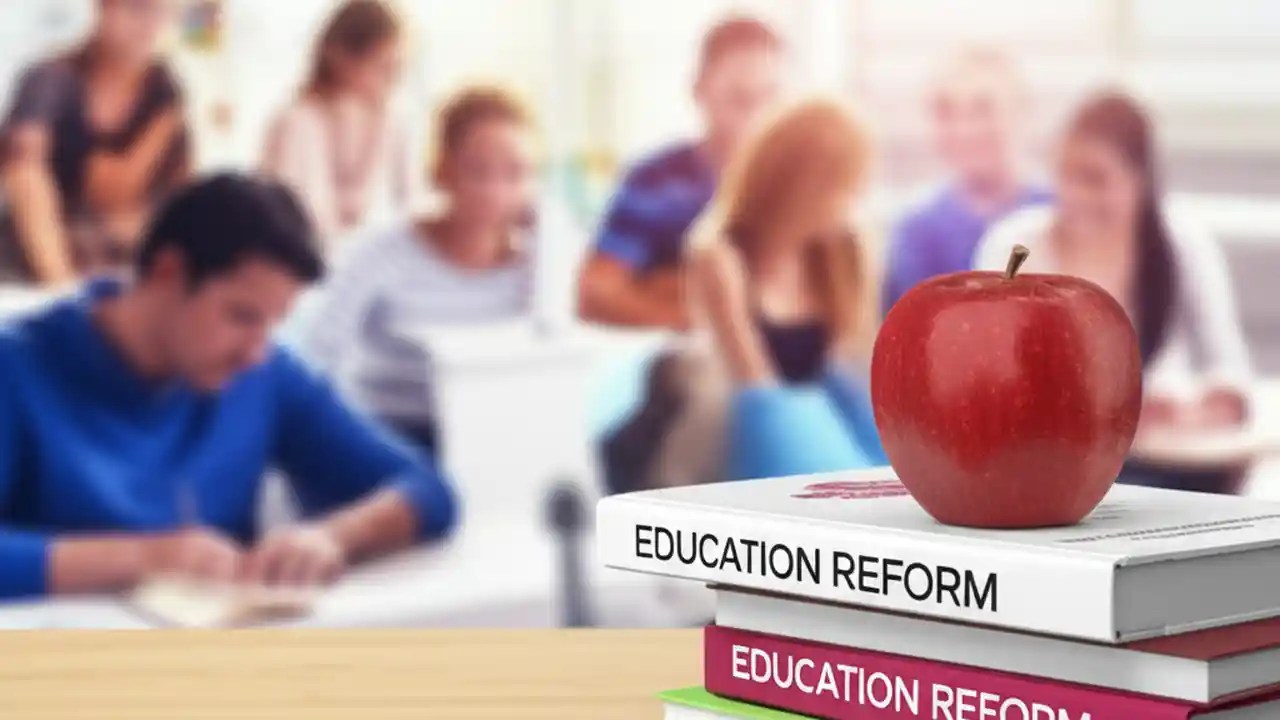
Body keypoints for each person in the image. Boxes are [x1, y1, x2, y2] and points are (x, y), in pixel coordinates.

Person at [0, 174, 456, 600]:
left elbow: (429, 490)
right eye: (241, 316)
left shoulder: (265, 374)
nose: (255, 352)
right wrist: (142, 558)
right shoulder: (18, 366)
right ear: (167, 272)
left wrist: (329, 537)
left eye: (273, 324)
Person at [975, 92, 1251, 494]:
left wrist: (1202, 408)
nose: (1077, 196)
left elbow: (1228, 367)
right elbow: (989, 374)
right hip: (1050, 460)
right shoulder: (1014, 244)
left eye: (1097, 179)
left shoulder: (1182, 245)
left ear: (1140, 181)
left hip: (1165, 464)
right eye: (1067, 175)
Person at [612, 99, 886, 491]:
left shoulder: (843, 252)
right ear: (805, 187)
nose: (854, 206)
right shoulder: (719, 254)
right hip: (739, 430)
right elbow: (754, 384)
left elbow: (855, 368)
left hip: (816, 425)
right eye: (847, 190)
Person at [302, 87, 567, 454]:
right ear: (442, 170)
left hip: (490, 431)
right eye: (478, 171)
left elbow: (551, 347)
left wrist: (551, 231)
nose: (495, 191)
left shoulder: (536, 263)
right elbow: (320, 354)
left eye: (516, 173)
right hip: (391, 429)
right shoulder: (380, 250)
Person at [577, 16, 786, 330]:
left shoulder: (798, 185)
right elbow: (596, 293)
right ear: (699, 90)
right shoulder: (654, 181)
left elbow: (805, 298)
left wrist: (664, 285)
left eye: (769, 97)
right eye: (739, 98)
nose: (757, 116)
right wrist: (713, 320)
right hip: (682, 357)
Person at [0, 0, 191, 285]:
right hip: (32, 260)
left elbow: (179, 192)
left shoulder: (164, 91)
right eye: (139, 8)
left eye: (164, 14)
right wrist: (61, 285)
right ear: (104, 7)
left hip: (119, 260)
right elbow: (24, 171)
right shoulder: (50, 80)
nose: (150, 25)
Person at [881, 46, 1049, 312]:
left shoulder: (1056, 214)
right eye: (946, 112)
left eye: (983, 110)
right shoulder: (917, 232)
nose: (964, 129)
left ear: (1021, 112)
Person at [260, 0, 420, 250]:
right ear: (340, 57)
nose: (393, 81)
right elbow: (282, 223)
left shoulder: (396, 125)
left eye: (398, 69)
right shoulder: (296, 123)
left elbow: (414, 211)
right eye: (383, 67)